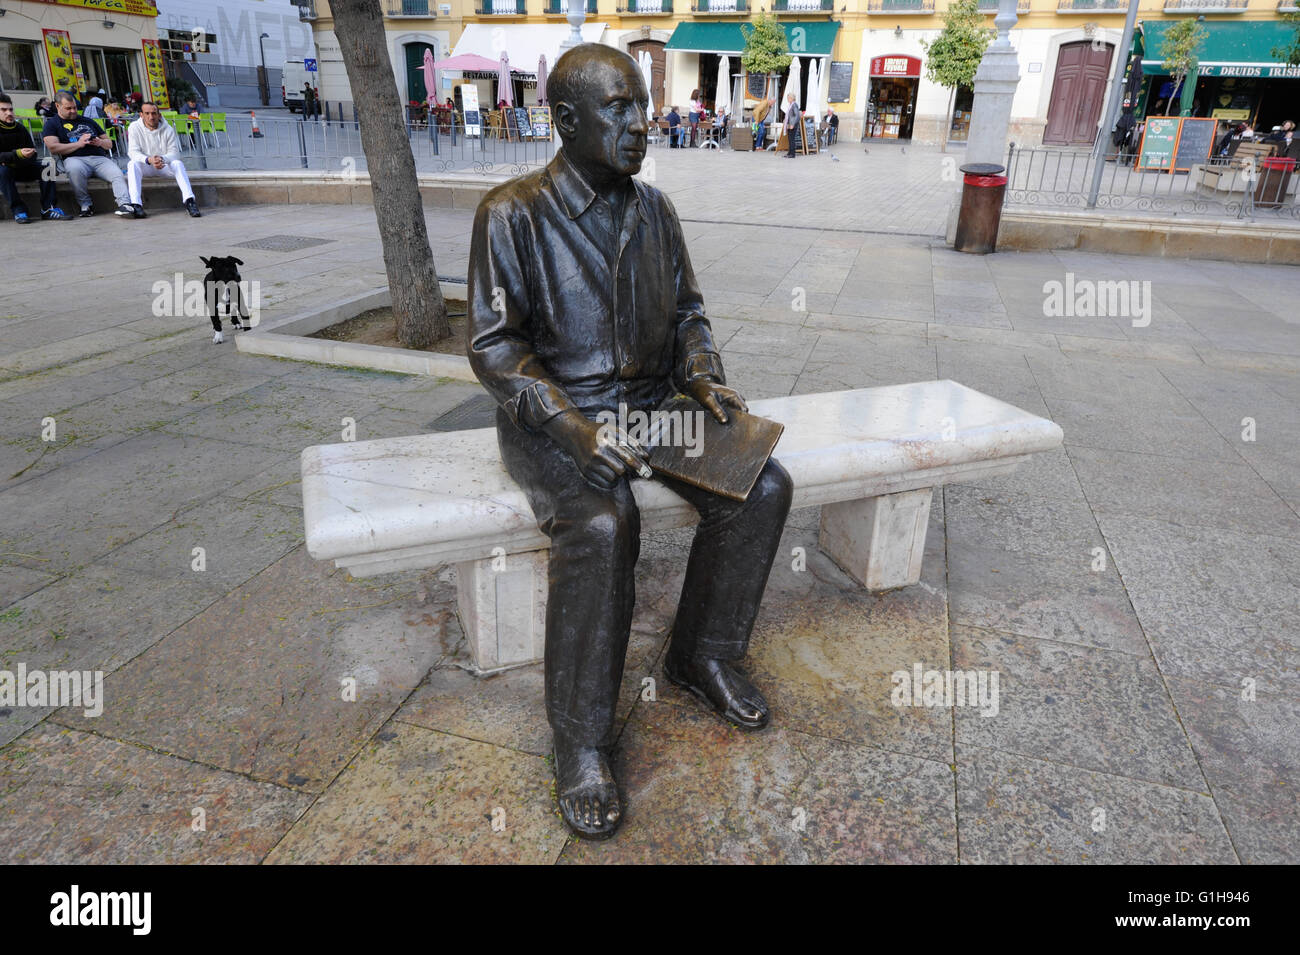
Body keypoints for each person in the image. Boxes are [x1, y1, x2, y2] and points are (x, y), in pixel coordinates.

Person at [467, 44, 792, 841]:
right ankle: (579, 739)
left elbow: (688, 314)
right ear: (566, 119)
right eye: (619, 108)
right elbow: (496, 348)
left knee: (764, 485)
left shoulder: (655, 210)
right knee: (607, 524)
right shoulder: (511, 213)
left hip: (652, 403)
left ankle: (701, 656)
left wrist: (706, 375)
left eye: (642, 106)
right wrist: (573, 430)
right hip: (558, 417)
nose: (639, 124)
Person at [42, 90, 134, 217]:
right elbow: (53, 147)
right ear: (58, 106)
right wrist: (78, 144)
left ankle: (125, 204)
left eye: (74, 108)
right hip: (74, 158)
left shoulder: (88, 121)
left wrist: (100, 142)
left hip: (99, 158)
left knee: (117, 173)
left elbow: (109, 143)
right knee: (74, 169)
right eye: (68, 108)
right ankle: (86, 205)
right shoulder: (51, 124)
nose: (73, 111)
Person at [126, 102, 200, 219]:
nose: (151, 117)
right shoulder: (134, 128)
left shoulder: (168, 129)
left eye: (154, 113)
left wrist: (162, 159)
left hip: (163, 165)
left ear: (159, 115)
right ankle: (136, 205)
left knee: (177, 164)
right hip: (146, 165)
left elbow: (175, 153)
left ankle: (189, 201)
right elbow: (132, 152)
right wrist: (148, 159)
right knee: (132, 164)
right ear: (141, 115)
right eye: (147, 113)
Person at [0, 94, 66, 222]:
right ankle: (18, 210)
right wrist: (17, 154)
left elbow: (33, 152)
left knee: (48, 165)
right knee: (3, 171)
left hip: (21, 166)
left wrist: (27, 155)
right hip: (6, 170)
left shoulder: (20, 128)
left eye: (10, 109)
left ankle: (48, 208)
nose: (9, 113)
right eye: (3, 110)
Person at [783, 93, 801, 158]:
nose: (788, 99)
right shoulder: (791, 105)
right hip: (790, 125)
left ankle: (792, 154)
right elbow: (789, 116)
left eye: (788, 98)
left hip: (793, 125)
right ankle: (789, 153)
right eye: (787, 98)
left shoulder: (794, 105)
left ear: (792, 98)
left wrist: (792, 124)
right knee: (790, 139)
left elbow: (797, 116)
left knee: (792, 139)